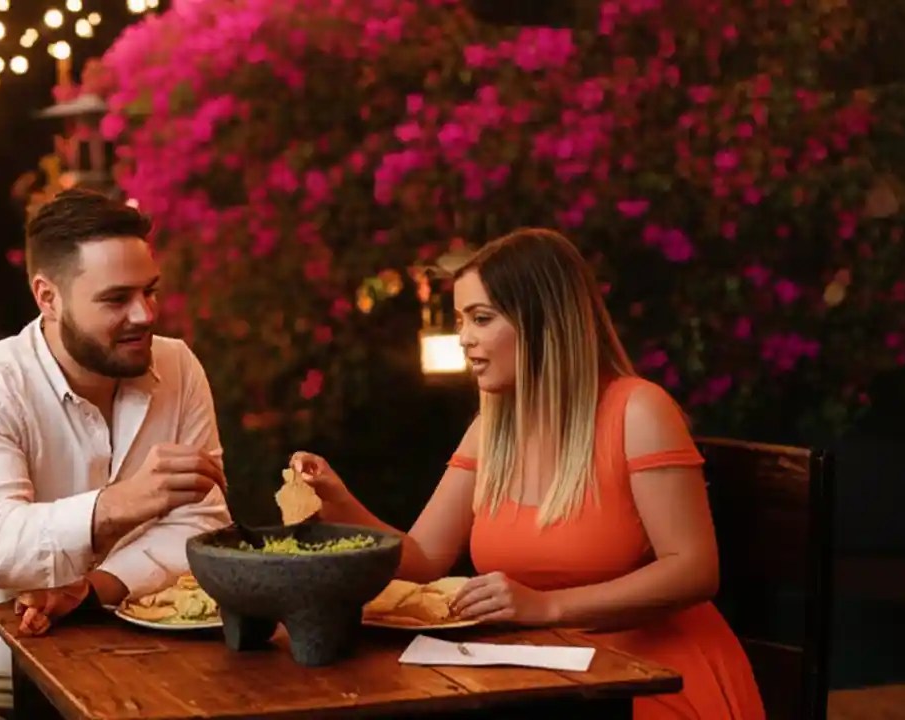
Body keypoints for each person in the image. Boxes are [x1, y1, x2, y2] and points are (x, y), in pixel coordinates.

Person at [291, 228, 764, 719]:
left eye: (481, 319)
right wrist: (339, 501)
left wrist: (547, 607)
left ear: (544, 323)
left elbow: (694, 569)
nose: (464, 338)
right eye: (460, 320)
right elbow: (424, 557)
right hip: (543, 679)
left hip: (654, 680)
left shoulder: (639, 411)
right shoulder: (490, 427)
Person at [0, 188, 231, 720]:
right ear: (48, 297)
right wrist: (116, 505)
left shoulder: (177, 367)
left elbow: (202, 526)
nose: (144, 314)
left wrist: (93, 591)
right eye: (116, 299)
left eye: (149, 291)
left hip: (136, 657)